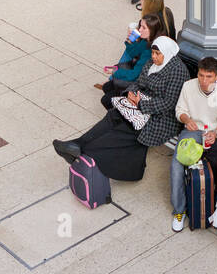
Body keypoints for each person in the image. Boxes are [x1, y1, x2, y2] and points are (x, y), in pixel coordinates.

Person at [54, 36, 187, 182]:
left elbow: (169, 103)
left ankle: (84, 151)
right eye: (153, 53)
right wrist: (131, 93)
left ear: (167, 53)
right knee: (114, 115)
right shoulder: (152, 62)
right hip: (141, 103)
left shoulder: (177, 71)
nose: (153, 57)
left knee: (124, 128)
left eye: (157, 54)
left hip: (163, 118)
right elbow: (139, 82)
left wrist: (140, 104)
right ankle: (77, 144)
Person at [168, 56, 217, 230]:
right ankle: (179, 210)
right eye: (201, 75)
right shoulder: (188, 86)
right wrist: (187, 120)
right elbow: (180, 110)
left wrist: (215, 133)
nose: (203, 80)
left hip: (216, 133)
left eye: (208, 76)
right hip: (193, 131)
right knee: (178, 163)